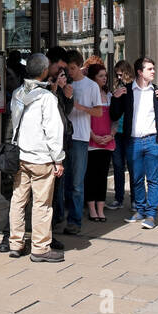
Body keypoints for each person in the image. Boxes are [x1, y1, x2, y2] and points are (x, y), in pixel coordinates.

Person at [8, 53, 66, 262]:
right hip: (41, 158)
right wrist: (58, 159)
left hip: (20, 156)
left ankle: (15, 243)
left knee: (18, 200)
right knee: (42, 204)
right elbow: (53, 131)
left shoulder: (17, 94)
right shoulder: (47, 98)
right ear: (43, 72)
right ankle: (40, 247)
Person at [110, 56, 158, 230]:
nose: (153, 71)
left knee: (153, 179)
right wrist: (115, 99)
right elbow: (114, 115)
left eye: (153, 68)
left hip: (153, 141)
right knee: (136, 179)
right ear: (140, 72)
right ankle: (139, 209)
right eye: (149, 69)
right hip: (133, 142)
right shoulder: (127, 91)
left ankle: (151, 214)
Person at [62, 48, 102, 234]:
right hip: (64, 137)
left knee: (77, 183)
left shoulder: (91, 86)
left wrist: (78, 106)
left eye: (72, 68)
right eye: (67, 68)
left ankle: (75, 221)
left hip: (80, 137)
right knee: (64, 181)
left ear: (79, 66)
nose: (69, 72)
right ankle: (61, 217)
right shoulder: (64, 84)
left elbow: (99, 112)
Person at [45, 46, 74, 227]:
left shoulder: (58, 87)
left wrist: (66, 96)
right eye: (60, 68)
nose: (61, 72)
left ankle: (54, 222)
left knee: (56, 190)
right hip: (46, 148)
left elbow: (63, 113)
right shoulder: (43, 84)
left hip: (59, 144)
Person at [85, 64, 115, 222]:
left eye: (105, 75)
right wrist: (93, 135)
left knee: (102, 176)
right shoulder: (89, 95)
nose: (104, 78)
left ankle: (100, 208)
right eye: (100, 76)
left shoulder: (109, 95)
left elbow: (115, 119)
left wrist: (111, 135)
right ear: (93, 78)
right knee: (91, 176)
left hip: (107, 141)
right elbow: (85, 119)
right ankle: (91, 209)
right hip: (92, 141)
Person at [107, 59, 134, 211]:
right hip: (117, 132)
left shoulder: (134, 89)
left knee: (132, 166)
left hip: (130, 133)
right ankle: (118, 198)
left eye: (121, 75)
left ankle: (135, 199)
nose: (119, 78)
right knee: (118, 166)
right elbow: (113, 113)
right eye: (117, 75)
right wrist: (115, 97)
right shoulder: (116, 89)